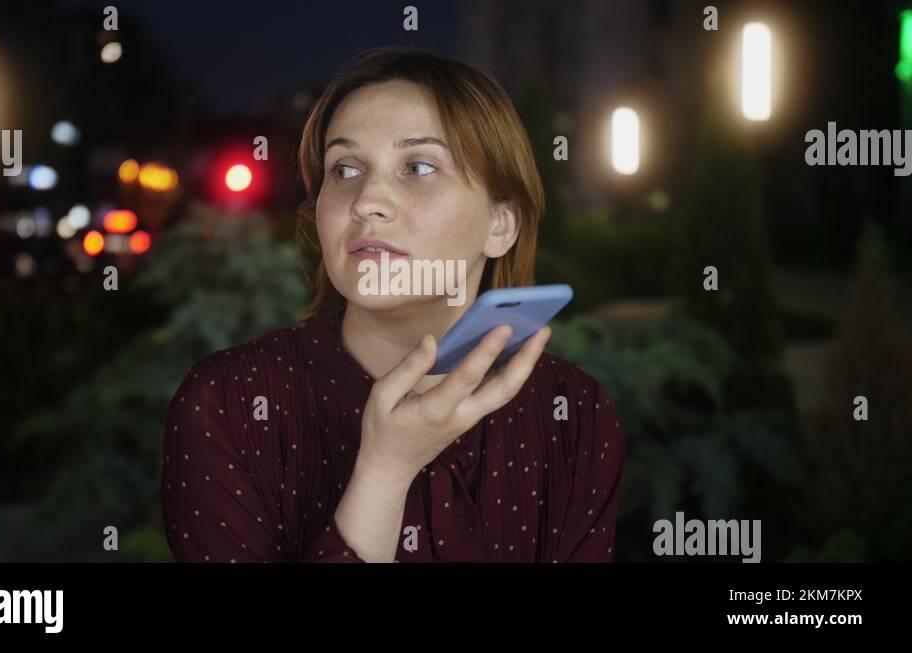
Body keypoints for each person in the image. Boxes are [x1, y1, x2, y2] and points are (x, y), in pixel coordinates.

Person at [161, 46, 626, 562]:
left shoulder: (574, 414)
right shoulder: (227, 404)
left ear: (501, 225)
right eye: (344, 170)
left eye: (419, 166)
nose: (366, 202)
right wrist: (384, 471)